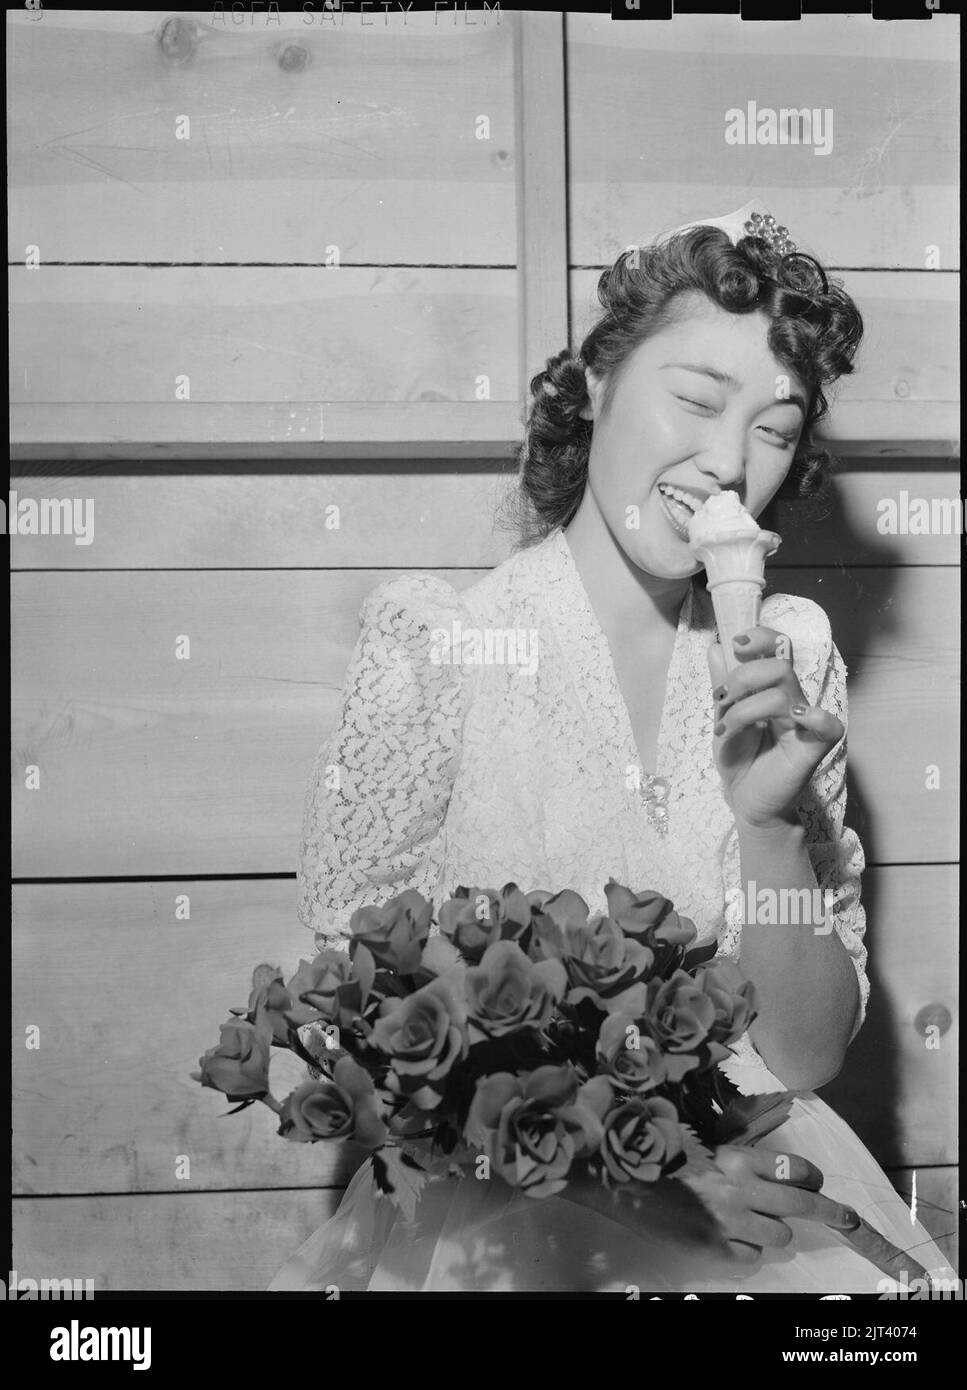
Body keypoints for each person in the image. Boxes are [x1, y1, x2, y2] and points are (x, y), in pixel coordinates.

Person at [269, 202, 955, 1293]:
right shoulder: (437, 645)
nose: (727, 461)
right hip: (498, 1223)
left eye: (775, 430)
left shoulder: (794, 655)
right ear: (594, 383)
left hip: (764, 1215)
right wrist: (650, 1181)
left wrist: (769, 831)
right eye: (693, 398)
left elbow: (805, 1057)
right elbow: (352, 1039)